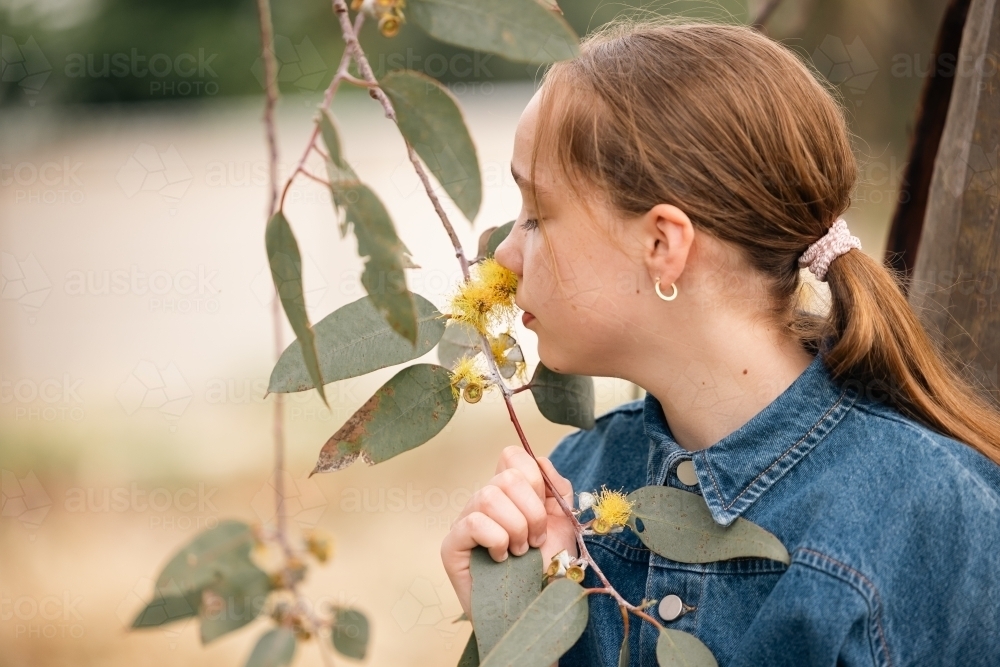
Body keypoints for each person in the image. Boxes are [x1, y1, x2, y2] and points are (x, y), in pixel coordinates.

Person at [440, 18, 1000, 667]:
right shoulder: (579, 485)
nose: (502, 260)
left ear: (661, 244)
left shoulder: (930, 517)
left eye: (538, 214)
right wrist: (518, 623)